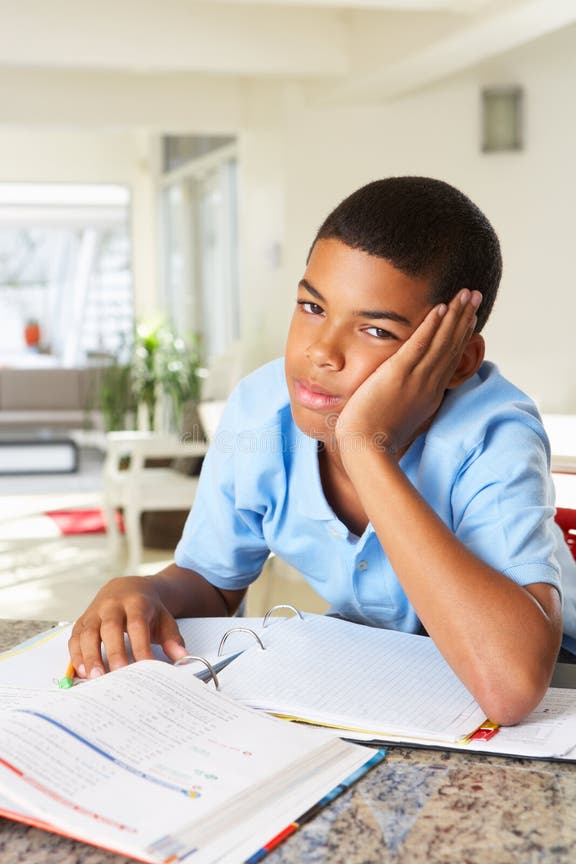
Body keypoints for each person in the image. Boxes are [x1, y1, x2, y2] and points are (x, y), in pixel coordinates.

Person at [71, 176, 576, 726]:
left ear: (457, 358)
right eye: (312, 306)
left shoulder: (492, 434)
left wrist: (365, 449)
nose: (321, 352)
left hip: (553, 678)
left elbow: (513, 688)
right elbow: (214, 583)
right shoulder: (262, 411)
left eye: (377, 330)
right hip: (388, 675)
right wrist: (145, 589)